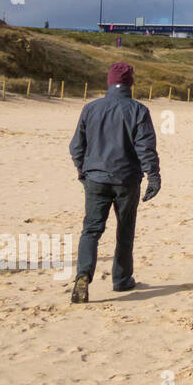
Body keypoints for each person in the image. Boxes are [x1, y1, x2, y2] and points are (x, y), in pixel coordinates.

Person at [68, 62, 161, 303]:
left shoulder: (91, 108)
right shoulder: (138, 110)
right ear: (131, 83)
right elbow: (145, 148)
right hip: (126, 180)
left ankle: (83, 275)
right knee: (125, 229)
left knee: (91, 230)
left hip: (96, 177)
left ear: (109, 82)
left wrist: (83, 171)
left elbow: (77, 146)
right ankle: (121, 280)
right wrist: (154, 176)